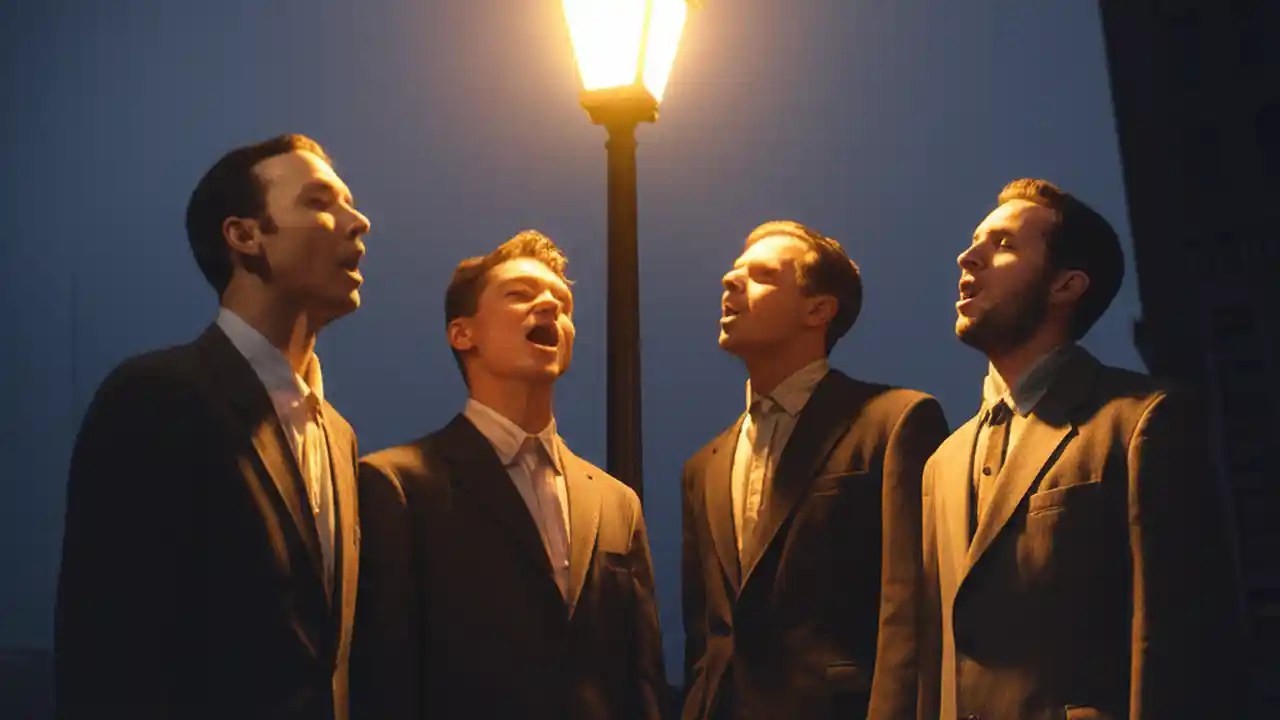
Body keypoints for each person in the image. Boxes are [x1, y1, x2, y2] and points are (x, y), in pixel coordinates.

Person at [55, 134, 371, 718]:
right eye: (321, 201)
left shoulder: (340, 436)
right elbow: (108, 649)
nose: (359, 222)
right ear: (245, 235)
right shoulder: (156, 396)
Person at [918, 178, 1244, 720]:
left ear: (1066, 285)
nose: (967, 255)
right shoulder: (941, 465)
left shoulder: (1142, 419)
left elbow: (1180, 645)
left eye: (1002, 244)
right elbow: (931, 668)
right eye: (975, 240)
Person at [352, 230, 666, 720]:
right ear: (463, 333)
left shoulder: (616, 502)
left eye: (563, 302)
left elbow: (641, 678)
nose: (549, 306)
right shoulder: (397, 485)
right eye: (520, 293)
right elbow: (384, 673)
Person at [681, 220, 948, 720]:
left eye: (761, 275)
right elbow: (706, 637)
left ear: (819, 309)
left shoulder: (893, 421)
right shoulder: (704, 466)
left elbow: (909, 607)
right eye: (733, 272)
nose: (730, 282)